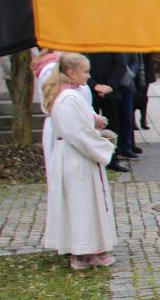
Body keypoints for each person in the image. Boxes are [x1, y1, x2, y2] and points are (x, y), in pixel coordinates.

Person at [40, 53, 117, 270]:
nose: (89, 76)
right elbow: (78, 134)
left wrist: (94, 122)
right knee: (80, 203)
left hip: (75, 155)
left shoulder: (70, 96)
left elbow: (81, 126)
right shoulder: (68, 99)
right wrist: (104, 145)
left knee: (85, 201)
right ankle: (82, 251)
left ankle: (90, 249)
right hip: (75, 158)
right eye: (85, 71)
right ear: (71, 73)